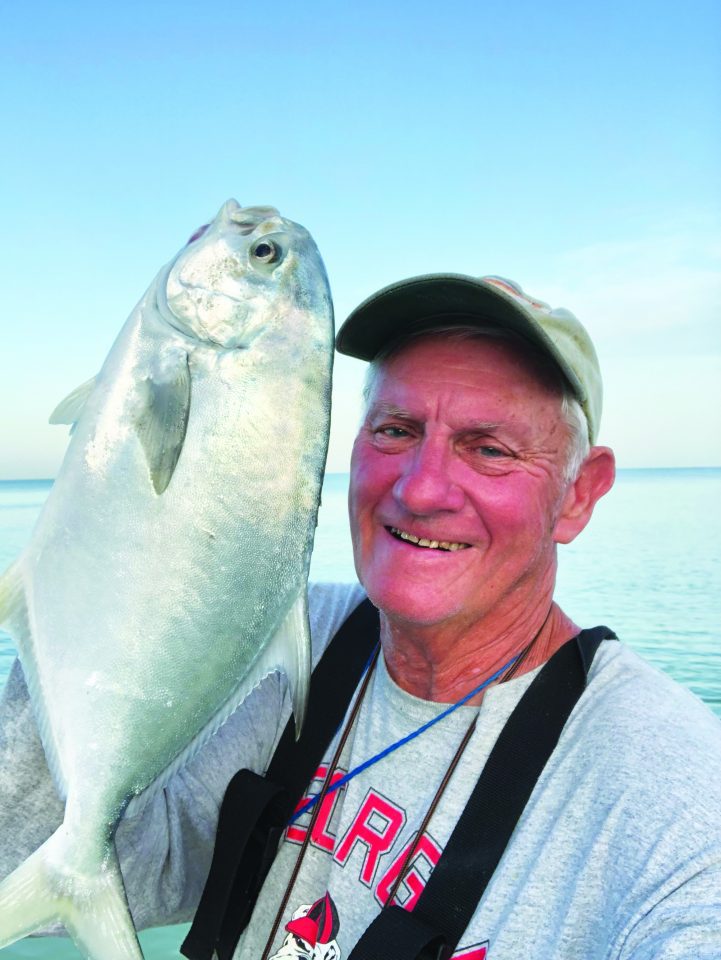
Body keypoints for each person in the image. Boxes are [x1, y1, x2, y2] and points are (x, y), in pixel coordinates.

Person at [1, 274, 720, 960]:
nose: (421, 488)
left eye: (489, 449)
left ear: (578, 495)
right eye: (396, 430)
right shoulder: (283, 638)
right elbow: (113, 861)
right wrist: (96, 558)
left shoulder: (675, 795)